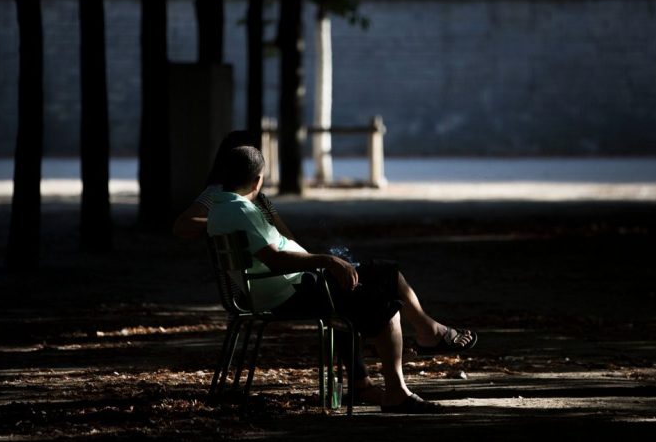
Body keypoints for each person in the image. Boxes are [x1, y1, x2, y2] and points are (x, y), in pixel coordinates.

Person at [202, 145, 476, 413]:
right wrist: (326, 260)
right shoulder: (242, 211)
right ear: (257, 180)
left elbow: (273, 255)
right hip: (289, 292)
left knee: (384, 271)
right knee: (383, 301)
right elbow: (276, 259)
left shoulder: (220, 208)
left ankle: (425, 334)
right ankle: (398, 391)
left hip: (280, 287)